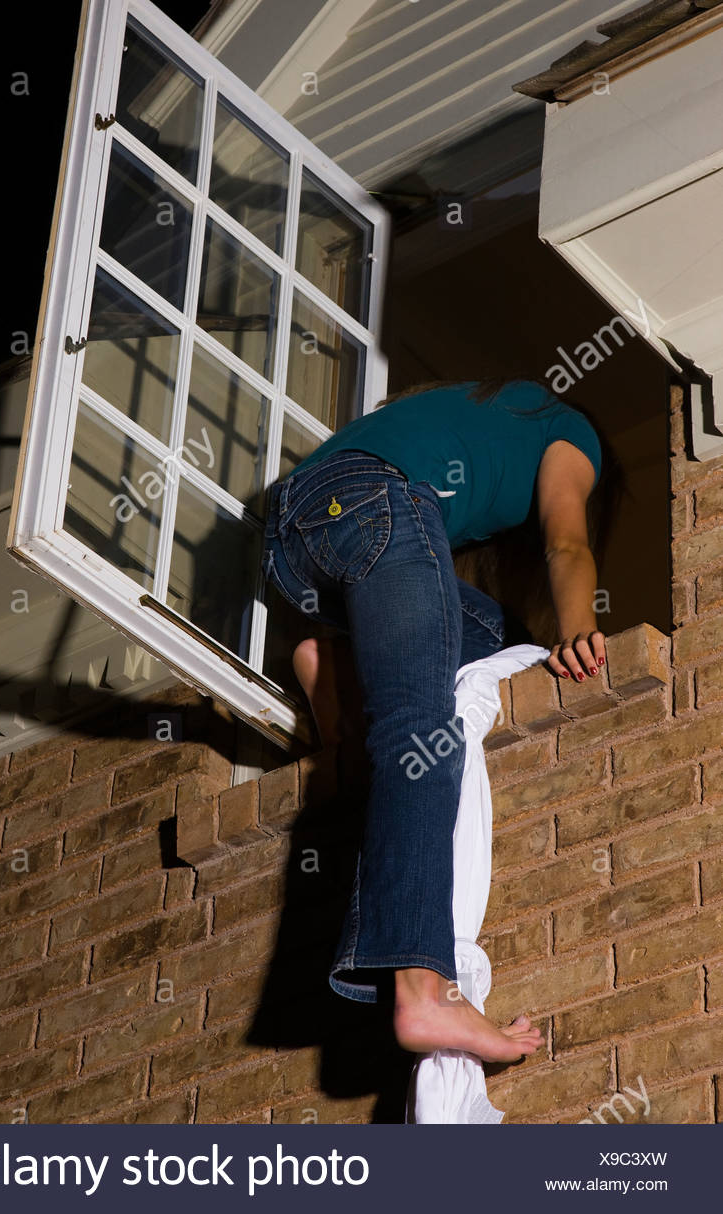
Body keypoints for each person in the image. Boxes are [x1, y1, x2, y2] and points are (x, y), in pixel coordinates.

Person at [261, 376, 614, 1065]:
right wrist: (580, 631)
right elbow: (567, 545)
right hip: (376, 502)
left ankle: (333, 661)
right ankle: (423, 988)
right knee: (422, 728)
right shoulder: (571, 433)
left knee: (507, 648)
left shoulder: (474, 412)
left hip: (295, 543)